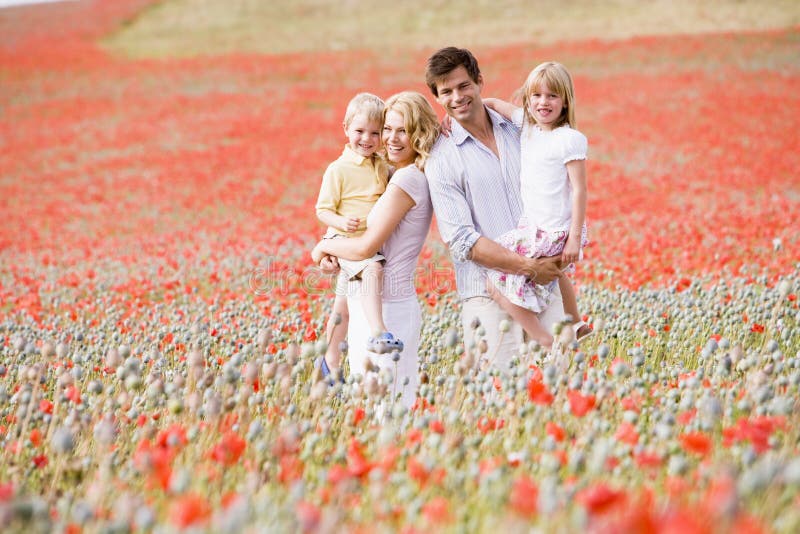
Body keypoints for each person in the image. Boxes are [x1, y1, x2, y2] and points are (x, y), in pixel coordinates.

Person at [424, 47, 565, 373]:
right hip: (488, 298)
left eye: (463, 86)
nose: (457, 97)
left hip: (545, 286)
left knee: (564, 391)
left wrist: (546, 264)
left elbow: (561, 180)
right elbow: (462, 240)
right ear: (437, 98)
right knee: (501, 403)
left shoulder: (521, 129)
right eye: (446, 92)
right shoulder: (442, 159)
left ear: (479, 82)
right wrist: (528, 267)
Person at [312, 91, 439, 409]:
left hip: (387, 305)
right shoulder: (388, 172)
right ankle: (329, 360)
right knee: (373, 408)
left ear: (419, 134)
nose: (389, 138)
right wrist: (336, 250)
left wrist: (323, 247)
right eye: (388, 129)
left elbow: (368, 246)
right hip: (371, 298)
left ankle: (329, 360)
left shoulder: (404, 179)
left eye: (402, 130)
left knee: (384, 410)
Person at [482, 61, 592, 349]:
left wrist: (574, 238)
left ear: (566, 101)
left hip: (555, 231)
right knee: (553, 274)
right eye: (537, 95)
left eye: (552, 96)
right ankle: (576, 322)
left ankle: (542, 337)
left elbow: (579, 190)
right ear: (528, 99)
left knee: (494, 281)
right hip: (534, 226)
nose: (544, 102)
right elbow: (494, 104)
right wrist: (460, 113)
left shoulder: (568, 139)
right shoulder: (528, 128)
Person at [315, 93, 404, 379]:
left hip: (360, 241)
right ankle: (378, 331)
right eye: (359, 131)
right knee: (373, 268)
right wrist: (341, 221)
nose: (366, 138)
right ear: (345, 129)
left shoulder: (380, 165)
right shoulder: (337, 170)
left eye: (375, 133)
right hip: (347, 241)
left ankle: (329, 362)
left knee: (342, 307)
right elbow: (322, 210)